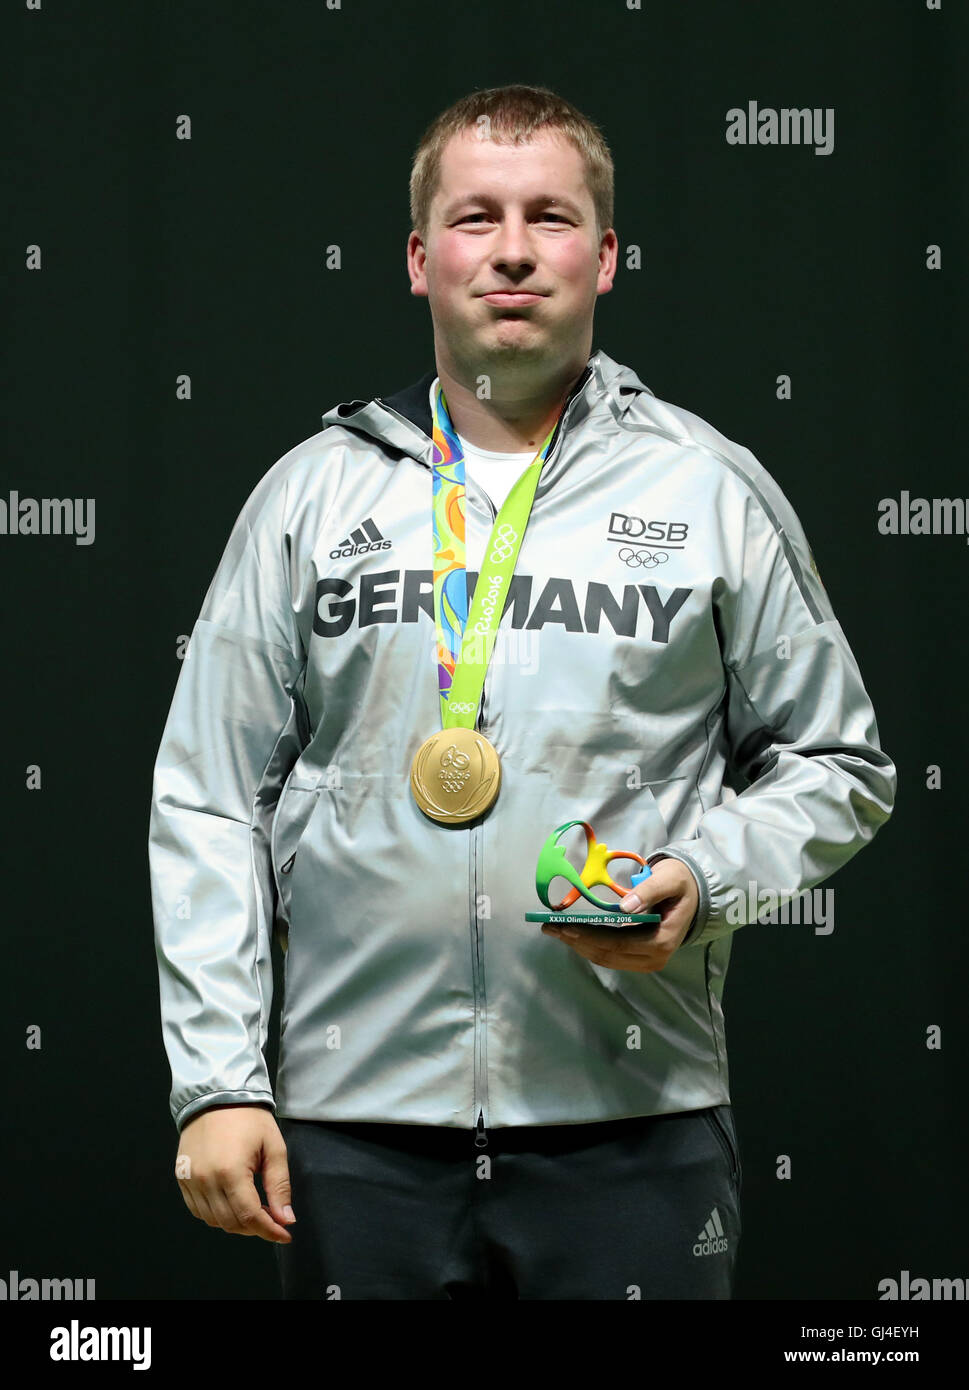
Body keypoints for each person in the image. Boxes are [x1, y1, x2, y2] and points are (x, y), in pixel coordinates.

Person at [148, 83, 896, 1300]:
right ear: (416, 257)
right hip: (352, 1131)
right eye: (474, 217)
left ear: (605, 257)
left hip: (636, 1131)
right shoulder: (307, 497)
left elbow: (842, 764)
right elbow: (208, 800)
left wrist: (706, 878)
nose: (508, 251)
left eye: (549, 217)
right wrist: (222, 1083)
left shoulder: (711, 486)